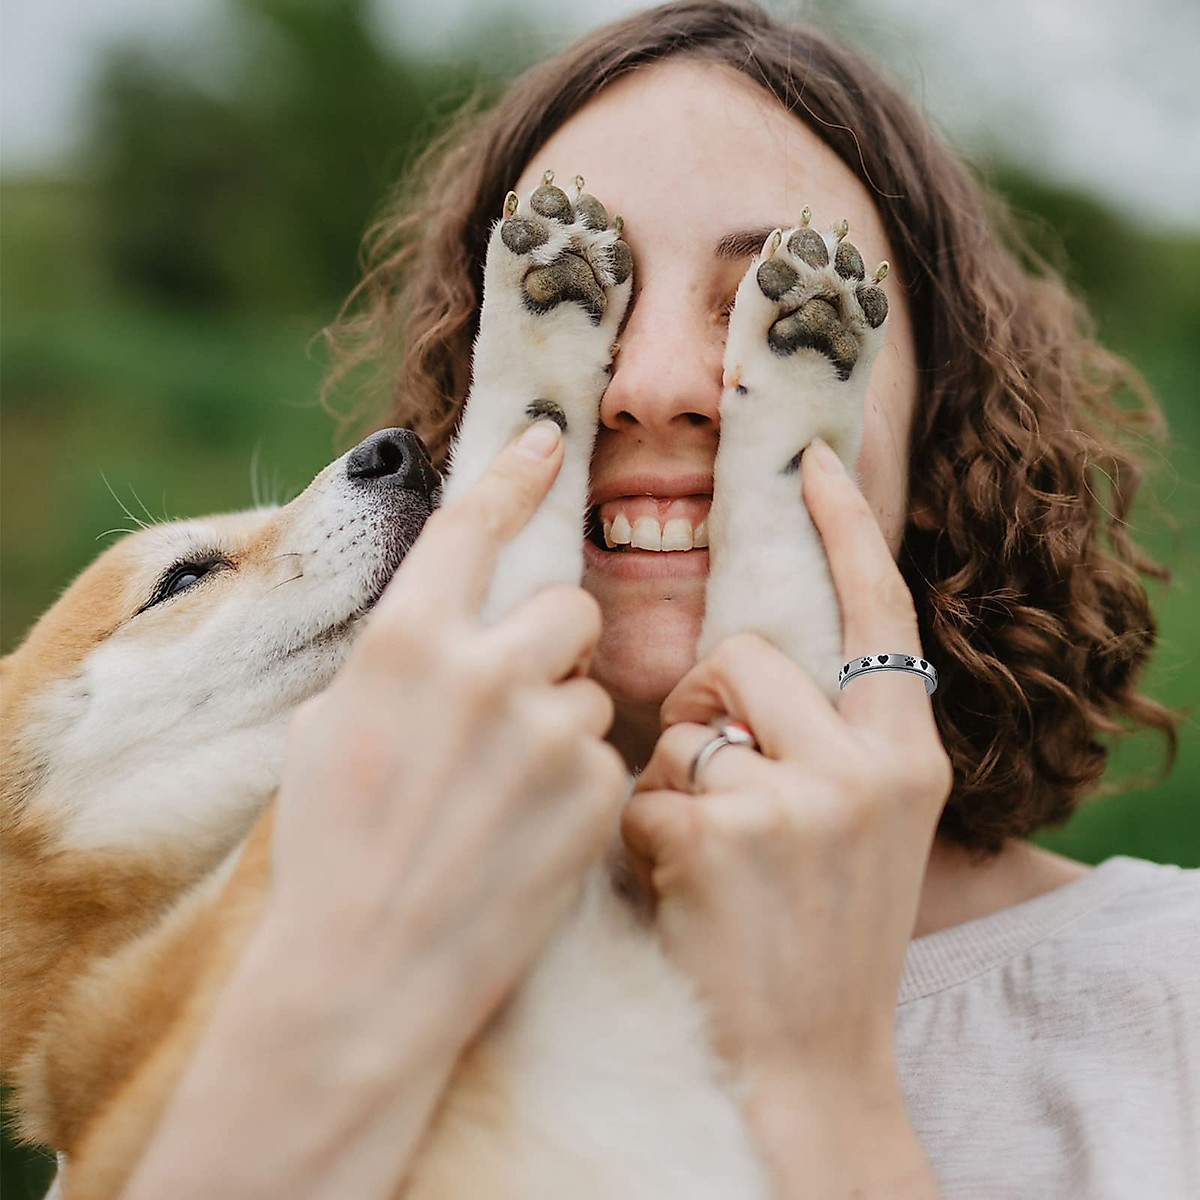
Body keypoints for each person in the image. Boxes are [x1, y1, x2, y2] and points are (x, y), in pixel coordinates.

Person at [104, 2, 1196, 1198]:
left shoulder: (1170, 1011)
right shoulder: (231, 965)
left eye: (770, 308)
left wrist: (817, 1078)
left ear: (940, 442)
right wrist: (338, 979)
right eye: (575, 300)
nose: (658, 383)